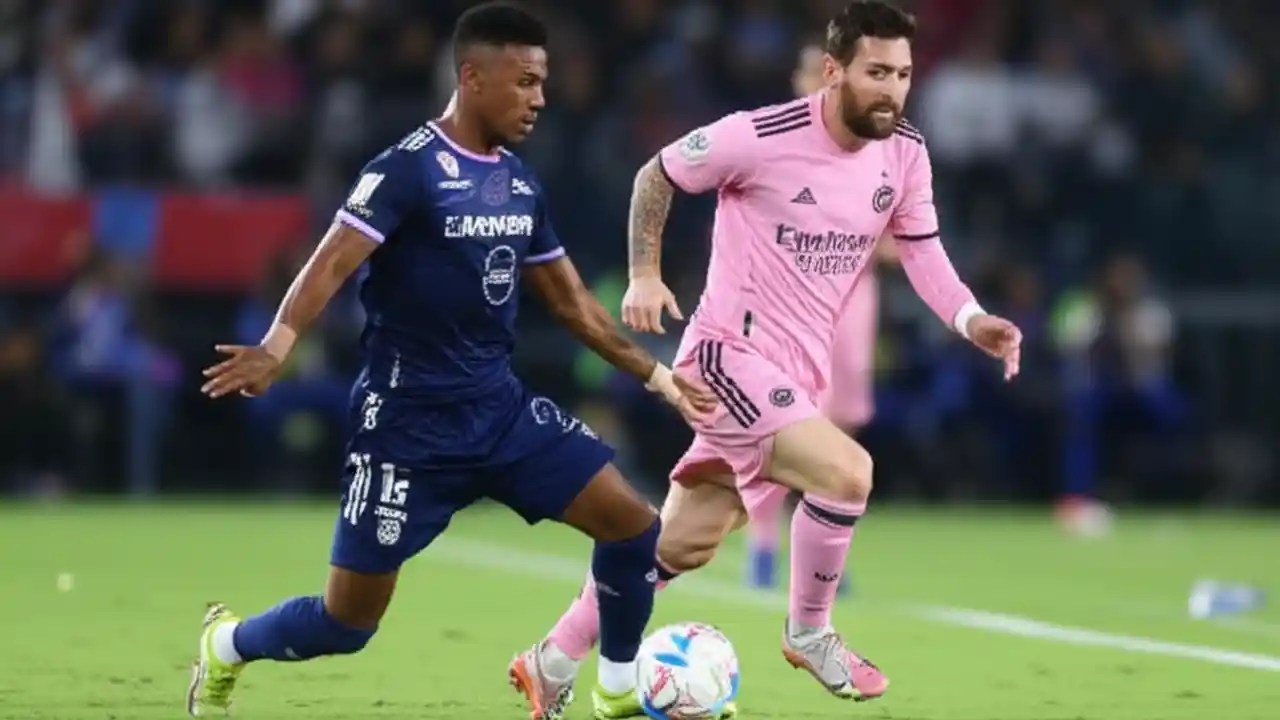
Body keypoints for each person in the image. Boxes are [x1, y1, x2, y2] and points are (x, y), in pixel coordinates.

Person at [186, 4, 715, 717]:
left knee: (633, 526)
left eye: (542, 82)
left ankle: (616, 690)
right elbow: (333, 259)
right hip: (407, 427)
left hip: (498, 412)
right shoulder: (406, 169)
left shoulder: (520, 184)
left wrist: (656, 376)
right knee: (346, 624)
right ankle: (227, 643)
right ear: (472, 78)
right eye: (524, 82)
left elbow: (571, 303)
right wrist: (278, 345)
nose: (539, 98)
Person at [510, 1, 1022, 715]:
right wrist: (645, 274)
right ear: (833, 70)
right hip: (726, 358)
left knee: (681, 545)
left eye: (903, 74)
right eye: (877, 73)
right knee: (849, 472)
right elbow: (656, 175)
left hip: (794, 376)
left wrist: (971, 318)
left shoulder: (905, 153)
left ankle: (553, 658)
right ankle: (810, 631)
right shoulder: (762, 135)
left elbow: (922, 250)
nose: (893, 90)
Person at [744, 40, 900, 591]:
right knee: (781, 423)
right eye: (812, 73)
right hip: (789, 299)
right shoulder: (775, 144)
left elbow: (895, 235)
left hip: (853, 300)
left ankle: (820, 557)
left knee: (840, 427)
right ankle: (763, 546)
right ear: (798, 80)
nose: (820, 83)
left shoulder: (875, 147)